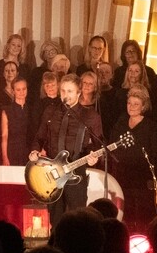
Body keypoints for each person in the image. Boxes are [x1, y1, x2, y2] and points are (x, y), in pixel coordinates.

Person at [30, 74, 106, 227]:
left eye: (70, 91)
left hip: (76, 171)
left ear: (79, 92)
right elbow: (40, 136)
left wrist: (94, 156)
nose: (66, 95)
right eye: (63, 91)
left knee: (77, 218)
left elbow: (99, 144)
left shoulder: (90, 116)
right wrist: (34, 150)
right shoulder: (50, 111)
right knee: (55, 219)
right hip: (53, 172)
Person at [108, 87, 157, 228]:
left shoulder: (151, 126)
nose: (131, 107)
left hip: (142, 180)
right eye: (129, 103)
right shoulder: (120, 123)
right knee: (124, 216)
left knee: (142, 218)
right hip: (121, 177)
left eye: (136, 104)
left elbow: (155, 154)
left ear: (143, 106)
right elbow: (111, 147)